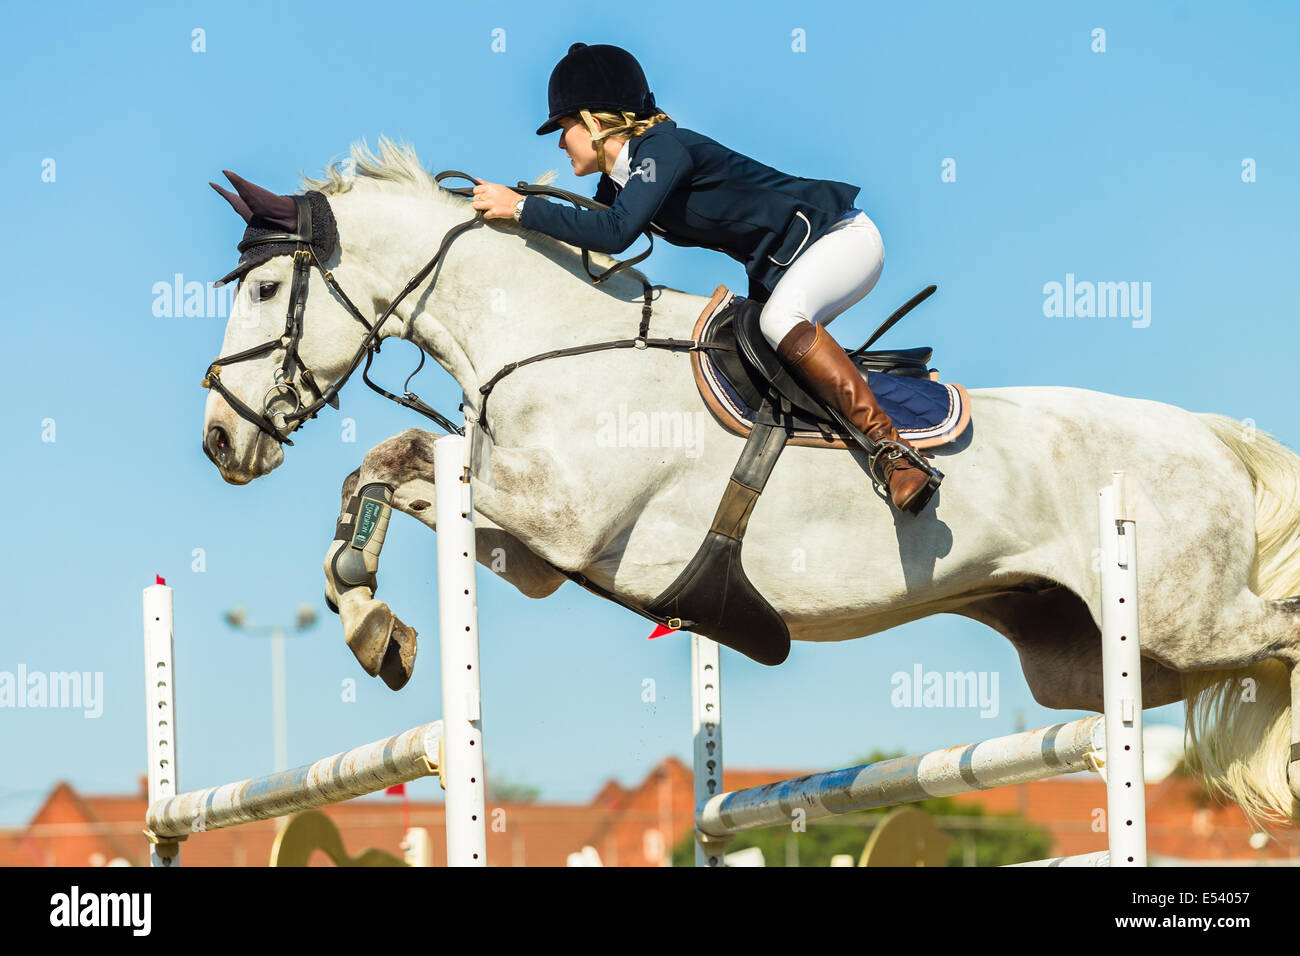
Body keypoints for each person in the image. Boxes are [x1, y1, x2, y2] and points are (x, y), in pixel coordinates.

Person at [472, 42, 931, 512]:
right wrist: (512, 227)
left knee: (779, 321)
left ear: (595, 123)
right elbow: (590, 239)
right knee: (747, 351)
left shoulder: (662, 149)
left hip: (840, 239)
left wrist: (523, 208)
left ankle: (895, 454)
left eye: (563, 128)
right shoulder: (620, 179)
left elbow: (614, 233)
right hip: (786, 265)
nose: (558, 144)